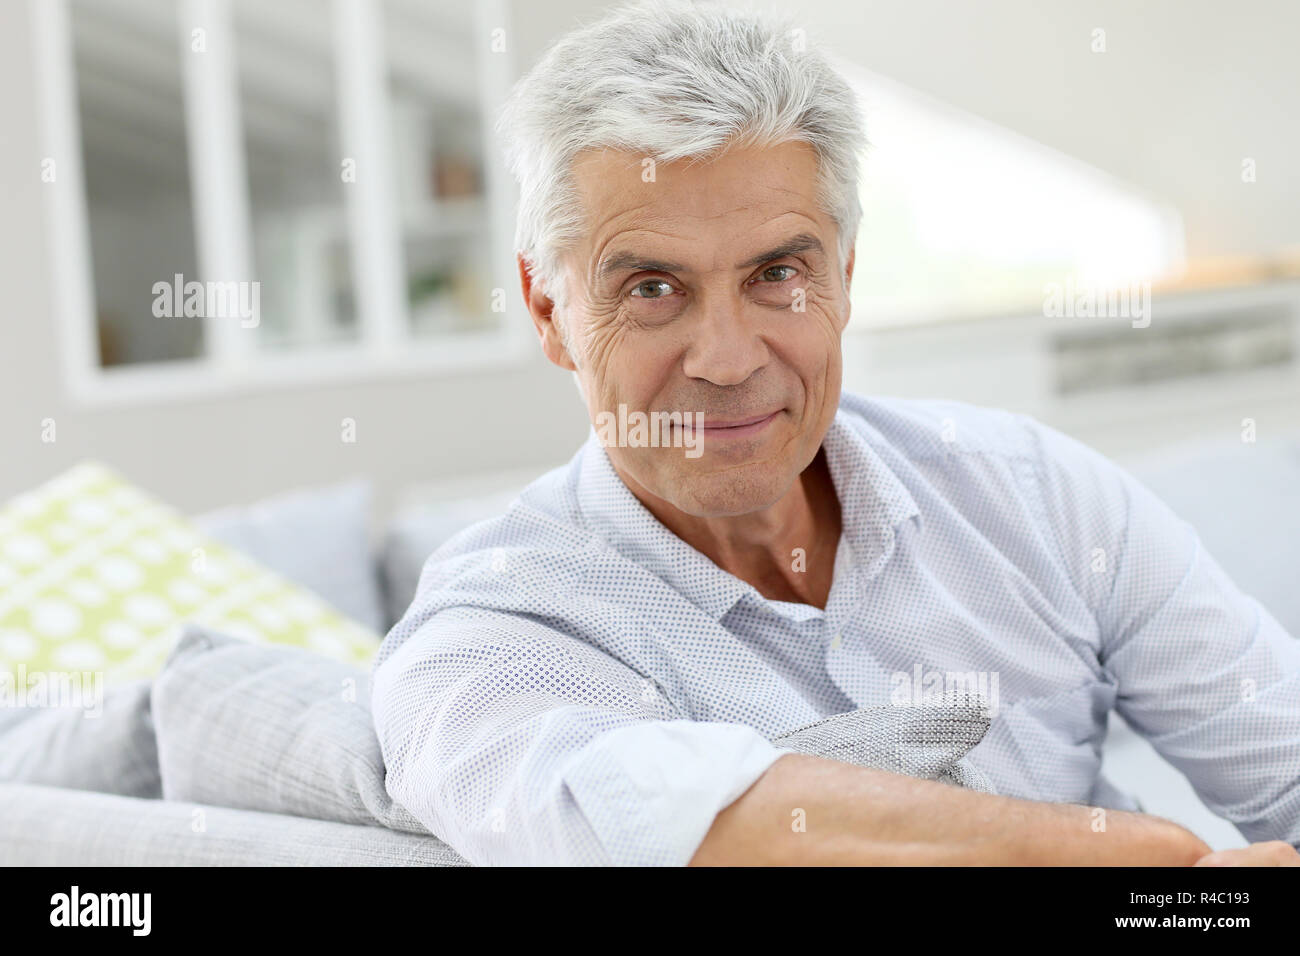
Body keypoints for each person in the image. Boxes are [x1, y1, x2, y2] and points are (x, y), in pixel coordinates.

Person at [371, 0, 1300, 866]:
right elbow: (655, 826)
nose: (729, 360)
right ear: (547, 309)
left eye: (778, 273)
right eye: (652, 288)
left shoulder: (1031, 489)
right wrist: (1167, 871)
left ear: (846, 276)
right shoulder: (490, 632)